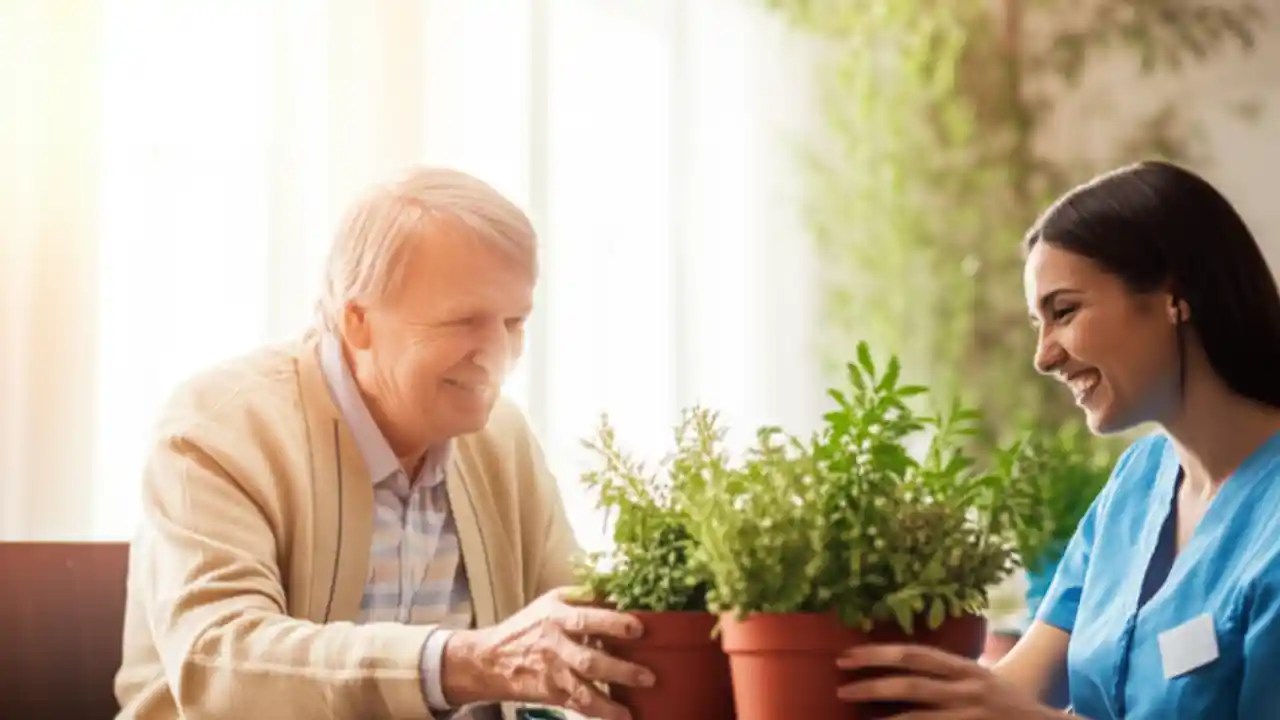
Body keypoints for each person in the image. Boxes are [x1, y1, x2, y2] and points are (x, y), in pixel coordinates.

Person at [114, 168, 654, 720]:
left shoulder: (502, 437)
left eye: (514, 323)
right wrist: (470, 663)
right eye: (463, 321)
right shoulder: (221, 425)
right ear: (358, 322)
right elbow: (220, 664)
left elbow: (587, 632)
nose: (498, 357)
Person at [836, 160, 1280, 718]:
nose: (1044, 356)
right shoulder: (1138, 482)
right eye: (1038, 323)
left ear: (1175, 295)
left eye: (1064, 312)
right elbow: (1019, 688)